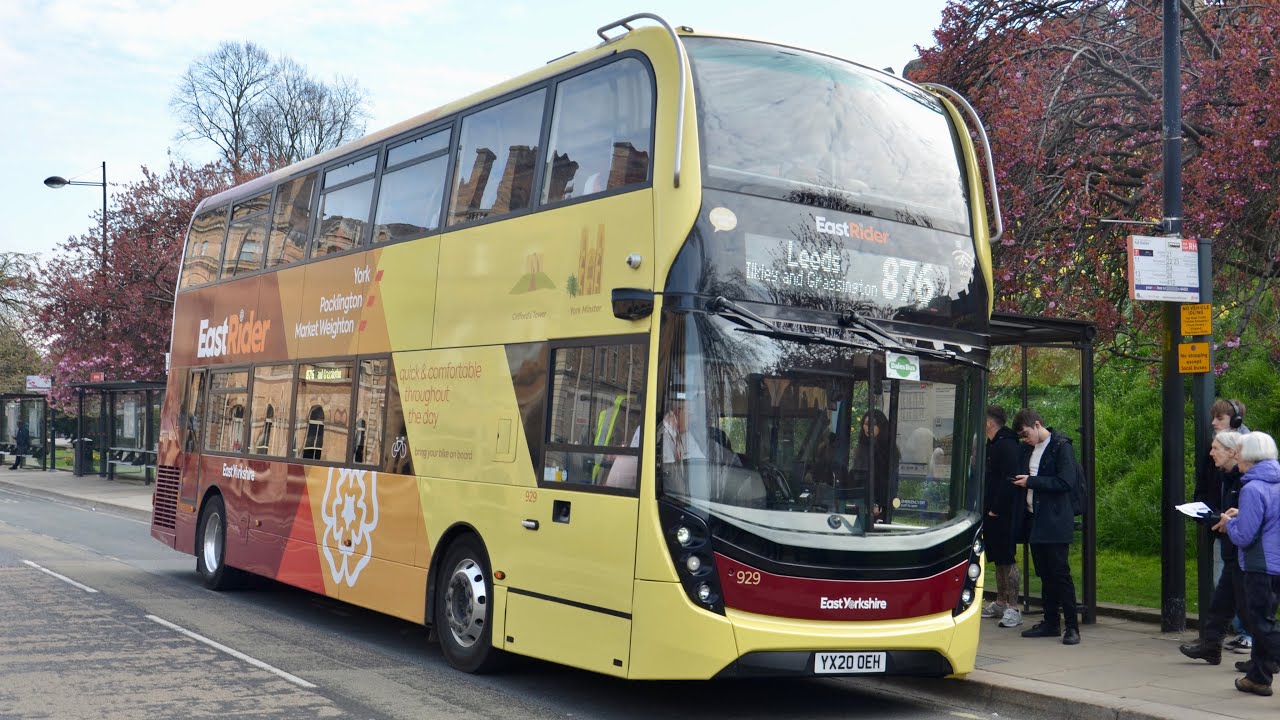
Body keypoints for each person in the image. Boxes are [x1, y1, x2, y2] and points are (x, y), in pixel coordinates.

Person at [1214, 431, 1280, 696]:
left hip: (1258, 565)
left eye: (1239, 452)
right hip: (1276, 564)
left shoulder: (1251, 488)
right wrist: (1244, 515)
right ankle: (1258, 677)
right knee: (1265, 619)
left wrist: (1231, 523)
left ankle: (1261, 675)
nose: (1236, 456)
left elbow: (1244, 535)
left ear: (1250, 456)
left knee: (1260, 625)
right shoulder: (1275, 482)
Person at [1012, 408, 1082, 646]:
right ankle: (1051, 621)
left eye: (1026, 433)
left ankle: (1072, 626)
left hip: (1054, 519)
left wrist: (1031, 481)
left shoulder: (1061, 446)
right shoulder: (1028, 449)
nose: (1025, 439)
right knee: (1044, 573)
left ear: (1038, 425)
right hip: (1035, 518)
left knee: (1060, 573)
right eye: (1021, 436)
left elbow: (1066, 481)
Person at [1179, 431, 1248, 665]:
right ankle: (1211, 646)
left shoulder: (1244, 480)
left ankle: (1268, 658)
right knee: (1222, 602)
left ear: (1231, 452)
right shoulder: (1227, 477)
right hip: (1233, 551)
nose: (1211, 453)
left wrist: (1226, 522)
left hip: (1244, 554)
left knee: (1253, 611)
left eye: (1215, 448)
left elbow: (1247, 518)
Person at [1193, 399, 1255, 655]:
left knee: (1246, 599)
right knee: (1224, 594)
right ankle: (1212, 644)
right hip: (1228, 536)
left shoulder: (1248, 474)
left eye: (1220, 418)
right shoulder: (1226, 469)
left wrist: (1229, 520)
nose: (1213, 423)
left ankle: (1256, 646)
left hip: (1241, 545)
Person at [983, 405, 1026, 628]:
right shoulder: (992, 444)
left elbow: (1009, 479)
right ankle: (1000, 602)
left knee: (1007, 558)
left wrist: (996, 508)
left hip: (1004, 512)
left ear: (990, 423)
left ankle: (1013, 607)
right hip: (992, 510)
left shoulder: (1006, 444)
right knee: (998, 557)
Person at [854, 409, 899, 523]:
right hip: (861, 501)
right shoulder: (863, 447)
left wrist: (876, 504)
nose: (868, 428)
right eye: (866, 424)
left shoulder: (887, 450)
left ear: (881, 427)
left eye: (873, 424)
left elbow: (886, 481)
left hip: (880, 505)